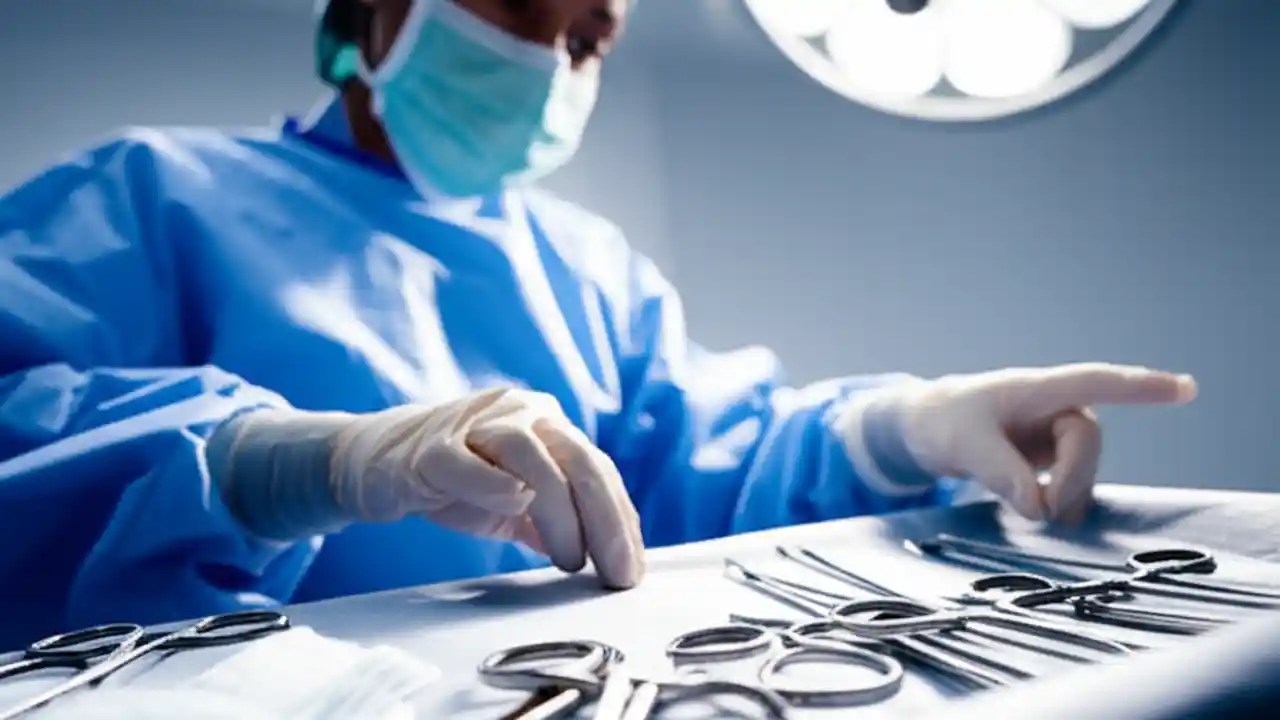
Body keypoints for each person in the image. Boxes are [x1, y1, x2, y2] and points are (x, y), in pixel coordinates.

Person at [0, 0, 1196, 649]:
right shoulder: (153, 195)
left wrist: (903, 429)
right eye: (525, 10)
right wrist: (287, 468)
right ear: (373, 14)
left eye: (588, 41)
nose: (555, 62)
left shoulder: (583, 266)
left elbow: (700, 474)